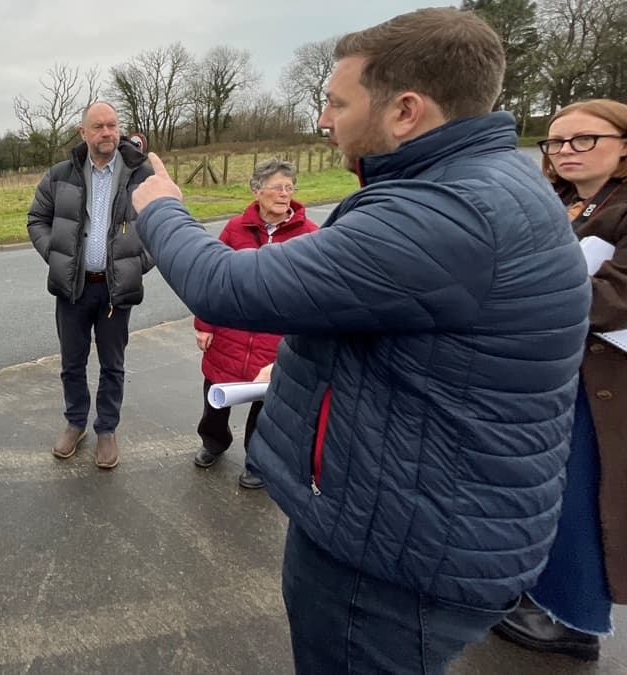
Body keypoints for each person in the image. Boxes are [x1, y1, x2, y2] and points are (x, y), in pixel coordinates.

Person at [130, 8, 591, 674]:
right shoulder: (480, 184)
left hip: (393, 558)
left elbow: (227, 284)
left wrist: (161, 205)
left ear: (405, 111)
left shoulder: (446, 215)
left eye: (336, 101)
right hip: (418, 520)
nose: (324, 119)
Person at [492, 99, 627, 661]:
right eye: (555, 142)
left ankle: (571, 619)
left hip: (602, 386)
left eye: (583, 140)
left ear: (623, 145)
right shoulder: (567, 203)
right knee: (542, 491)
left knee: (581, 496)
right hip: (552, 373)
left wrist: (514, 290)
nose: (565, 151)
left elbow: (613, 296)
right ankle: (534, 591)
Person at [26, 101, 154, 470]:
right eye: (97, 126)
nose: (106, 133)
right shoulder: (60, 174)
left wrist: (137, 264)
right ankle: (76, 421)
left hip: (116, 289)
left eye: (112, 125)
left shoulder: (140, 175)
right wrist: (57, 256)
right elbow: (36, 219)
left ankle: (107, 429)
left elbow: (163, 225)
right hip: (74, 287)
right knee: (72, 362)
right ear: (83, 132)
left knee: (113, 364)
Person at [192, 158, 318, 488]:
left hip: (276, 342)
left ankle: (257, 459)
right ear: (256, 190)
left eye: (289, 187)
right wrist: (204, 323)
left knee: (266, 407)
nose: (284, 194)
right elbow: (213, 279)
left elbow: (318, 294)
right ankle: (213, 443)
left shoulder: (311, 236)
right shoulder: (235, 229)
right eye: (277, 187)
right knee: (215, 398)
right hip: (230, 334)